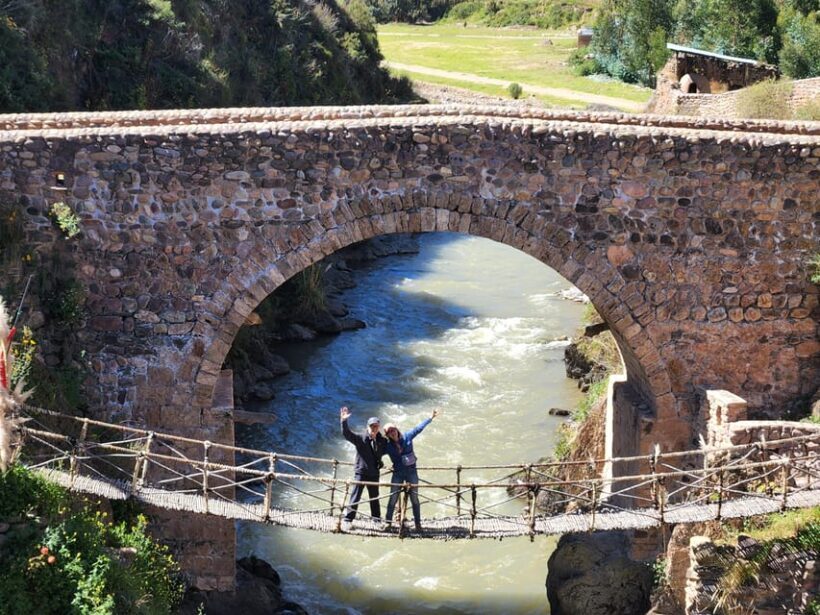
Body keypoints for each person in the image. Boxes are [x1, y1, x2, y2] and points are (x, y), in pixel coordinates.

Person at [383, 409, 439, 532]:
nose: (392, 433)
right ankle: (388, 523)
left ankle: (418, 524)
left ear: (396, 429)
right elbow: (376, 453)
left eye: (393, 429)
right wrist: (379, 464)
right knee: (393, 498)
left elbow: (418, 428)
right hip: (398, 473)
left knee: (415, 498)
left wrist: (430, 418)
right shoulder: (387, 446)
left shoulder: (407, 436)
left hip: (411, 472)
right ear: (387, 435)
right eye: (389, 432)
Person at [340, 406, 387, 524]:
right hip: (361, 472)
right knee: (355, 496)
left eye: (376, 426)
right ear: (367, 427)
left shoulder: (382, 441)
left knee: (374, 498)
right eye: (372, 426)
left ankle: (376, 520)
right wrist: (344, 421)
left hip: (374, 473)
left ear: (379, 427)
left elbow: (392, 447)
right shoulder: (360, 438)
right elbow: (347, 434)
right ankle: (348, 519)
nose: (374, 428)